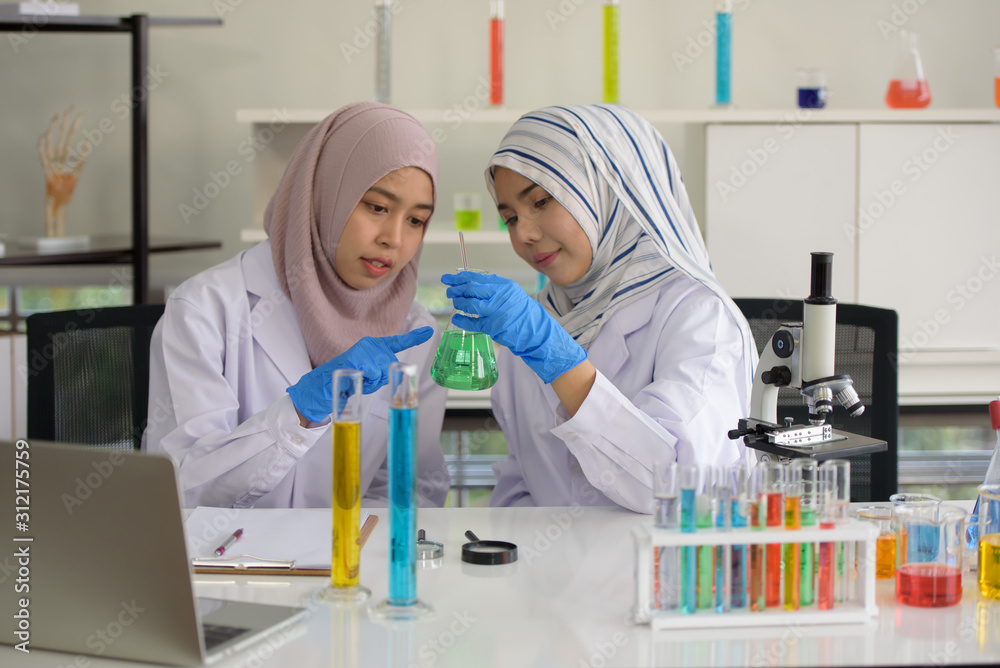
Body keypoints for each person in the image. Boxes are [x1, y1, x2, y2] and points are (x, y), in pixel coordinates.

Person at [442, 104, 757, 514]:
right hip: (554, 574)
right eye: (510, 218)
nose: (525, 234)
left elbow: (678, 488)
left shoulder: (697, 315)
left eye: (541, 201)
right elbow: (520, 487)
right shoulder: (529, 326)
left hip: (665, 575)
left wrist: (561, 363)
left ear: (612, 191)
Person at [143, 102, 450, 508]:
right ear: (323, 194)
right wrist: (297, 416)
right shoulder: (204, 310)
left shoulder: (414, 332)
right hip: (224, 563)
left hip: (348, 564)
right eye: (377, 207)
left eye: (416, 220)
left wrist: (352, 550)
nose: (394, 239)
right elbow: (180, 490)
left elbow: (412, 488)